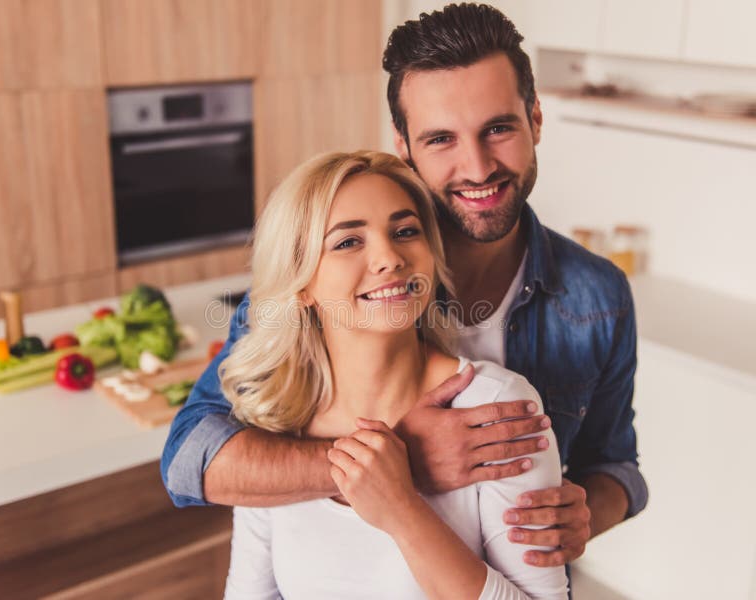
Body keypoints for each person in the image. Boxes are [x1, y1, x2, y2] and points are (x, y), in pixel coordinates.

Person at [162, 2, 647, 571]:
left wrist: (593, 508)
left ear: (535, 119)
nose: (477, 166)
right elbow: (191, 459)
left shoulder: (597, 298)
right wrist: (398, 462)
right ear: (404, 146)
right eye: (441, 138)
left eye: (498, 128)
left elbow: (618, 465)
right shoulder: (338, 279)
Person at [222, 150, 568, 599]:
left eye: (406, 232)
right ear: (301, 282)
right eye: (348, 242)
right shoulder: (275, 414)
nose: (389, 257)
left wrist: (403, 511)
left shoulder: (493, 406)